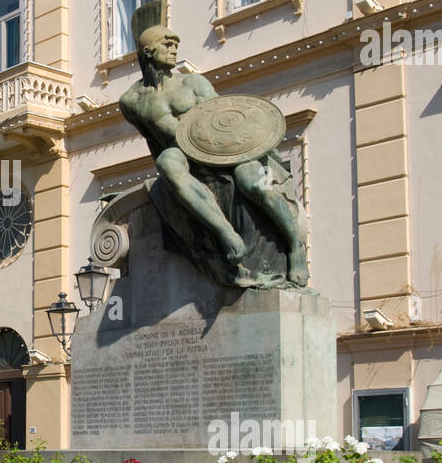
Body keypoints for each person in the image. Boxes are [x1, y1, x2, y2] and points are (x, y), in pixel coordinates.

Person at [118, 23, 308, 286]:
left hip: (224, 152)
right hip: (185, 158)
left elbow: (224, 118)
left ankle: (294, 248)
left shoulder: (193, 83)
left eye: (176, 45)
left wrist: (255, 149)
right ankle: (226, 233)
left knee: (253, 182)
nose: (175, 50)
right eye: (167, 45)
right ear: (148, 52)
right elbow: (153, 141)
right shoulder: (131, 101)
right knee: (167, 162)